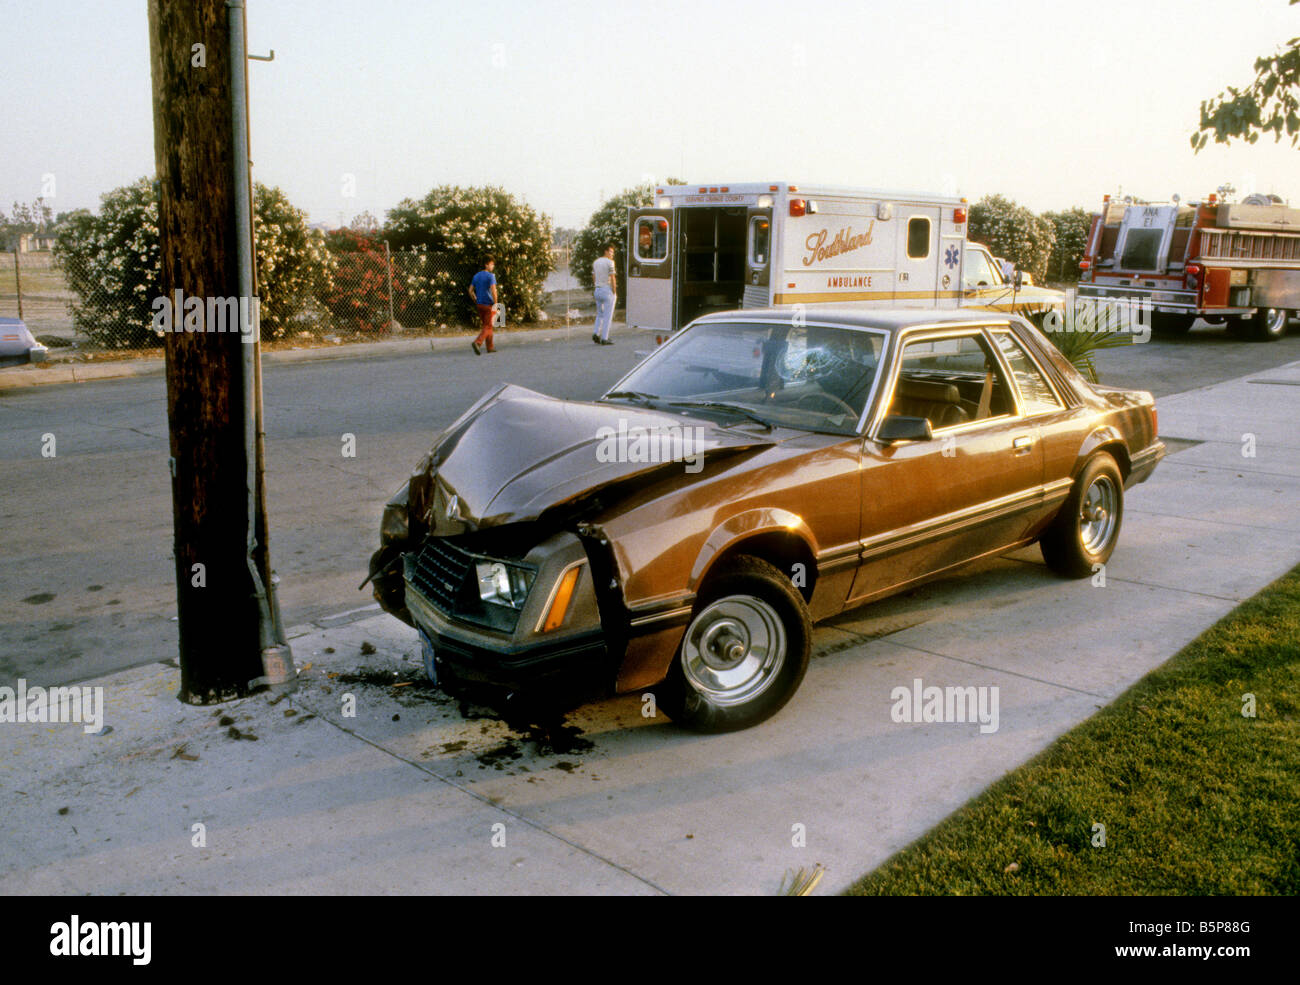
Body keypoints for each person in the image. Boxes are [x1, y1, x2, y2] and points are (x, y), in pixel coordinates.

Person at [468, 257, 498, 354]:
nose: (493, 266)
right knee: (488, 326)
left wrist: (475, 299)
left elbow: (470, 291)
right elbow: (494, 291)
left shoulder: (476, 276)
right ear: (486, 264)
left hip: (479, 304)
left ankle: (490, 347)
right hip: (488, 304)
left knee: (487, 325)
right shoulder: (491, 276)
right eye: (491, 264)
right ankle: (478, 342)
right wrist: (496, 304)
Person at [592, 243, 616, 345]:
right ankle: (604, 338)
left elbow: (593, 276)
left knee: (600, 314)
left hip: (597, 289)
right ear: (606, 251)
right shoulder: (610, 262)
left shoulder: (596, 262)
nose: (612, 254)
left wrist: (596, 285)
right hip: (607, 290)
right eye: (611, 252)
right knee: (608, 315)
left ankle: (596, 333)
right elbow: (612, 277)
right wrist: (614, 291)